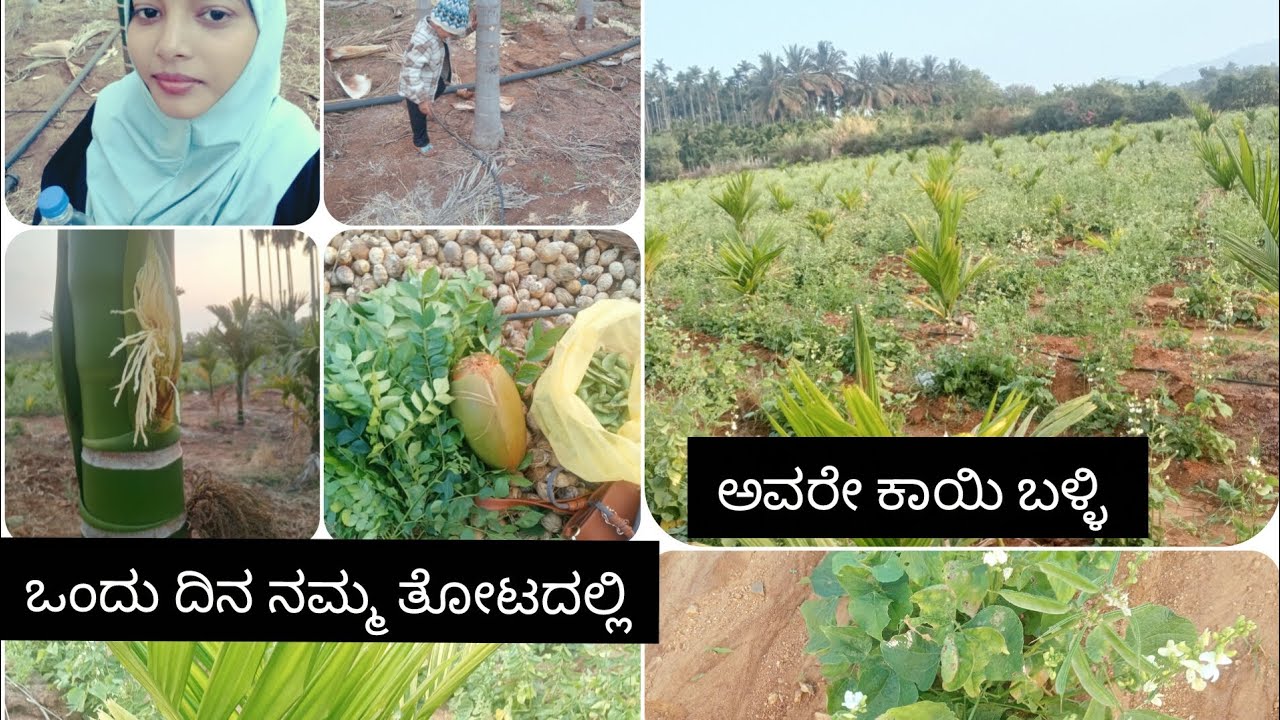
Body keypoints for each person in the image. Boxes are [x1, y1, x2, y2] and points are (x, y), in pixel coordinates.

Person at [36, 0, 319, 225]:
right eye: (148, 12)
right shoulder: (110, 113)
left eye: (216, 15)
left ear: (265, 29)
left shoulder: (296, 161)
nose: (169, 47)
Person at [400, 0, 475, 156]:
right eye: (449, 33)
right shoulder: (423, 41)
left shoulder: (438, 26)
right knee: (418, 115)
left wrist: (471, 27)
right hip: (415, 86)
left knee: (440, 87)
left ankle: (426, 105)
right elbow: (410, 72)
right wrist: (421, 99)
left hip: (431, 78)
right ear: (439, 26)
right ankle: (420, 142)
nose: (450, 37)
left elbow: (454, 33)